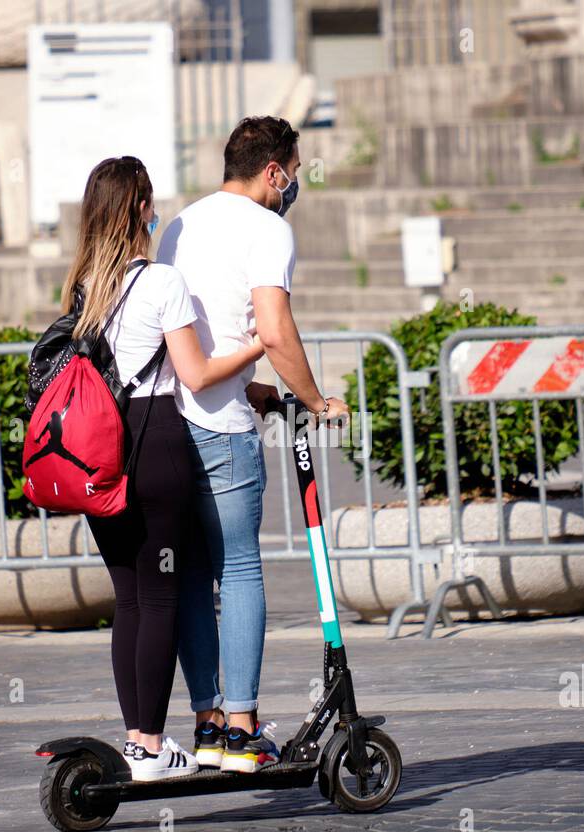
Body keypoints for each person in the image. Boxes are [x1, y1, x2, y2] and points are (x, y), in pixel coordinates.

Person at [157, 116, 349, 773]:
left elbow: (189, 332)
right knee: (238, 569)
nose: (293, 183)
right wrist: (318, 401)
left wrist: (253, 389)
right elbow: (272, 326)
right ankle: (241, 730)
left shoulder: (178, 226)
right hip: (223, 433)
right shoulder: (269, 229)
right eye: (293, 171)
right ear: (273, 170)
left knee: (187, 578)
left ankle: (208, 722)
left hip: (169, 422)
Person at [65, 156, 265, 781]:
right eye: (150, 201)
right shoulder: (160, 283)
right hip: (157, 450)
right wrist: (263, 343)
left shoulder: (82, 289)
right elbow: (198, 373)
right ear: (141, 209)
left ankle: (137, 740)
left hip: (101, 454)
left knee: (129, 602)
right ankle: (151, 747)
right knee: (160, 598)